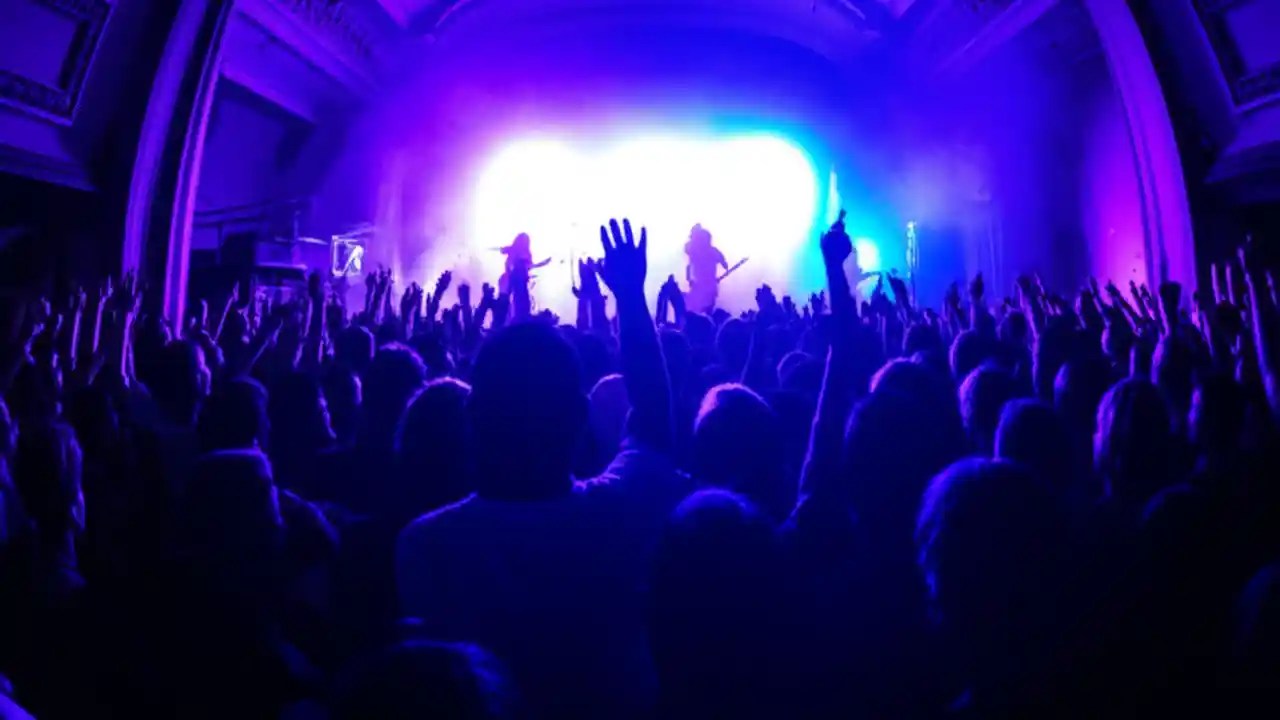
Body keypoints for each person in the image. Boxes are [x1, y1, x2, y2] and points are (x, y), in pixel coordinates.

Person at [684, 224, 727, 313]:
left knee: (703, 310)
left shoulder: (704, 252)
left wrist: (689, 280)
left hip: (705, 286)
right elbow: (725, 264)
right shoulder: (701, 251)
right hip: (702, 286)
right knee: (700, 309)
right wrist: (689, 280)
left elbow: (724, 264)